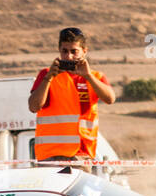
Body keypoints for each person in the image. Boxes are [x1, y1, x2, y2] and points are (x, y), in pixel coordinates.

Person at [28, 27, 115, 163]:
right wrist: (49, 78)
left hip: (81, 154)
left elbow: (110, 99)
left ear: (84, 52)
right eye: (64, 51)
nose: (69, 56)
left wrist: (88, 76)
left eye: (74, 52)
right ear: (59, 51)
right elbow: (33, 106)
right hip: (49, 155)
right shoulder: (46, 74)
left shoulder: (96, 76)